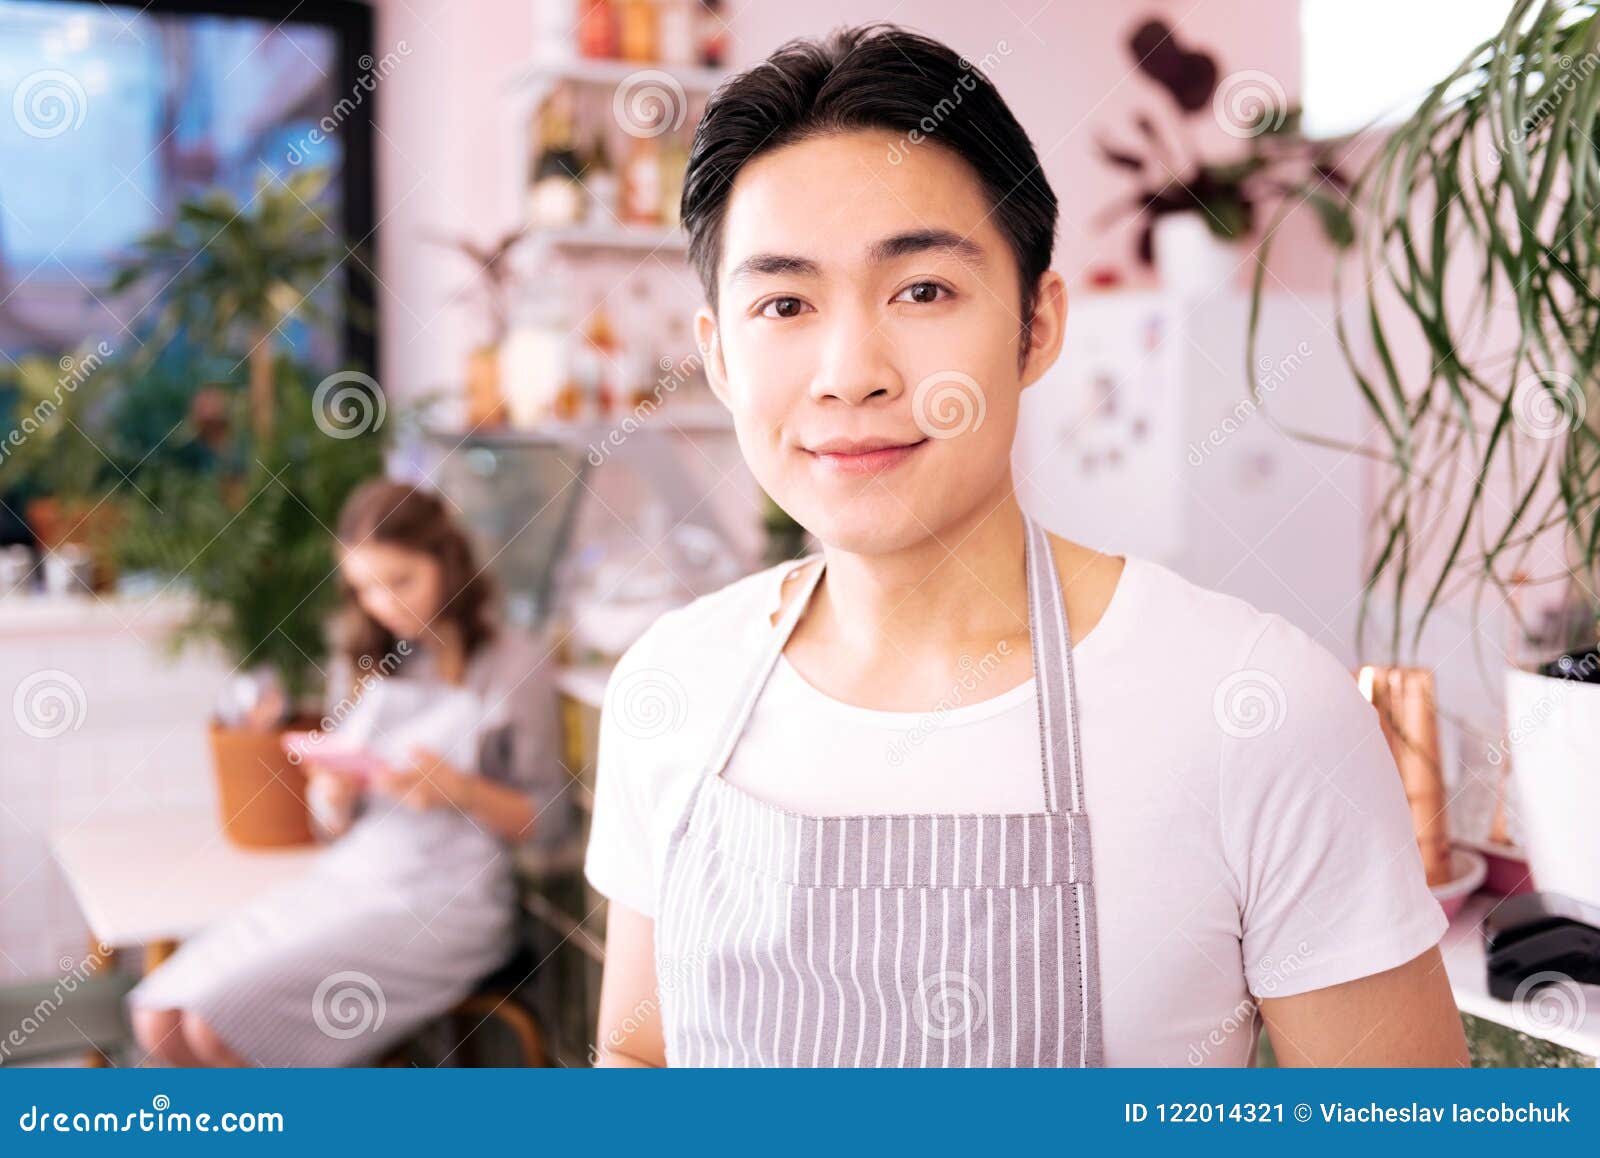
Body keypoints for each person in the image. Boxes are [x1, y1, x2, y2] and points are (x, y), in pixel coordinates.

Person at [583, 24, 1469, 1067]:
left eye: (921, 291)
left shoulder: (1256, 708)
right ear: (718, 357)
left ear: (1037, 326)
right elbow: (638, 1066)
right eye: (783, 302)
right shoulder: (670, 687)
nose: (849, 371)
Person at [128, 480, 571, 1066]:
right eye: (366, 589)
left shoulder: (516, 663)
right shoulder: (362, 659)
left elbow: (553, 821)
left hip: (450, 903)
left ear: (447, 560)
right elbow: (333, 830)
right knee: (158, 1018)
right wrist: (330, 797)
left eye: (401, 581)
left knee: (218, 1029)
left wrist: (459, 790)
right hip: (356, 876)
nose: (385, 604)